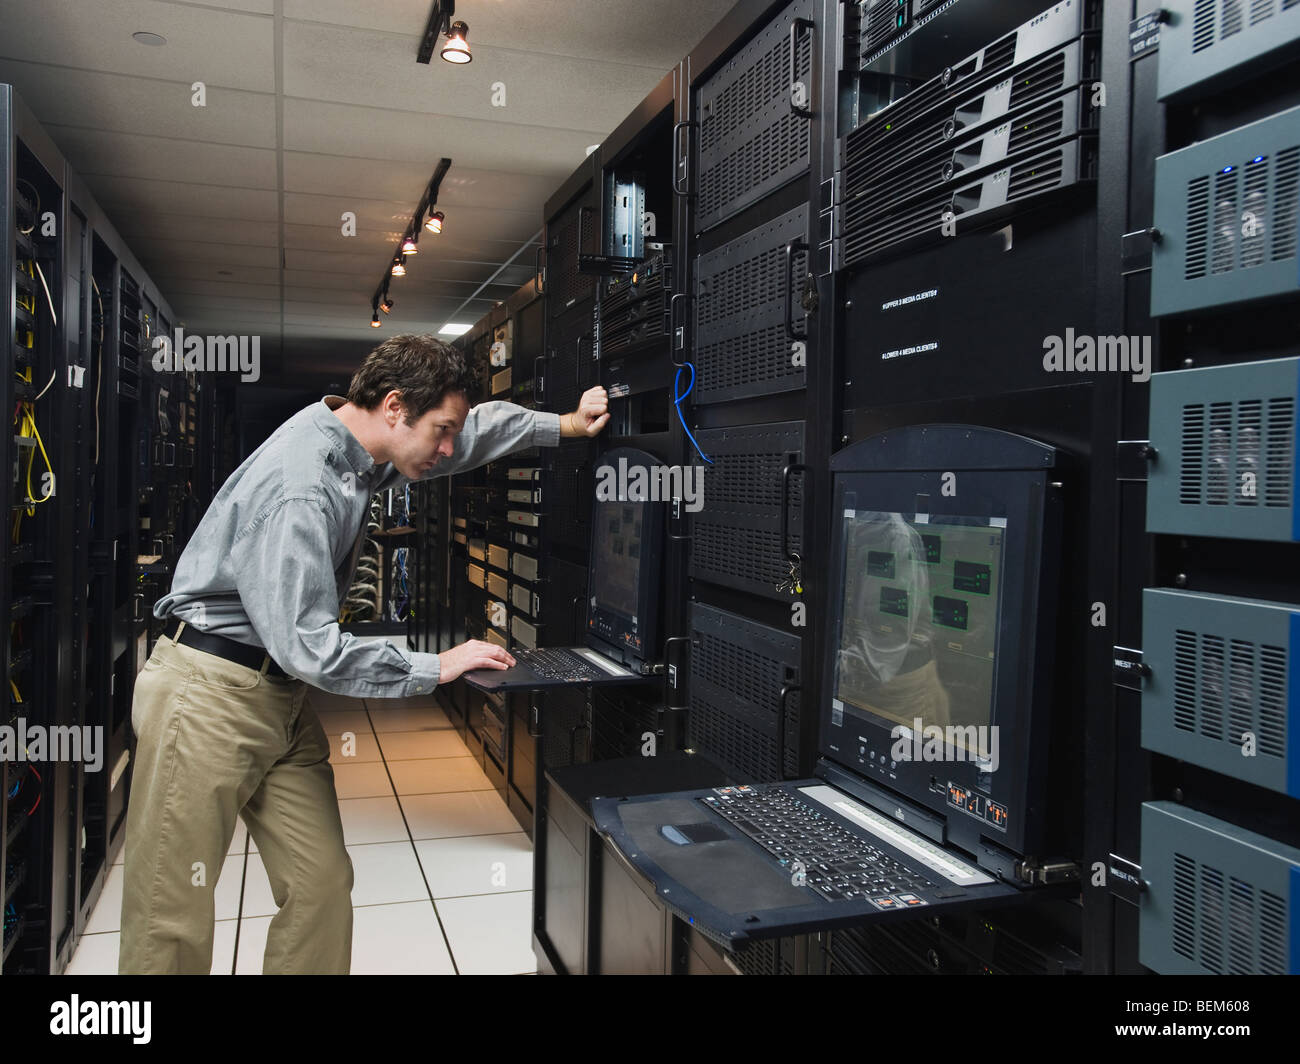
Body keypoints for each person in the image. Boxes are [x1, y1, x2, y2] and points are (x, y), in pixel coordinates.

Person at [119, 334, 609, 974]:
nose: (447, 447)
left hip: (276, 696)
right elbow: (309, 646)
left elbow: (471, 433)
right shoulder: (304, 484)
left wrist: (564, 424)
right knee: (170, 916)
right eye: (440, 430)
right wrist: (433, 666)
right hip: (209, 694)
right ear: (396, 406)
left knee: (321, 888)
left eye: (451, 432)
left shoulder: (359, 446)